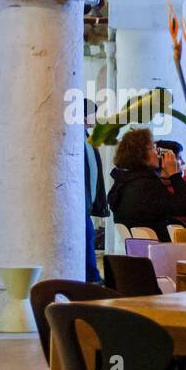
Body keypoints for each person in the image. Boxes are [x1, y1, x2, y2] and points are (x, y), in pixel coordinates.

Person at [107, 126, 186, 241]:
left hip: (139, 251)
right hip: (162, 251)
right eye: (154, 148)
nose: (158, 153)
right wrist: (175, 175)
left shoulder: (122, 183)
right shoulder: (147, 185)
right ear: (142, 154)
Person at [84, 101, 108, 283]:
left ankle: (92, 277)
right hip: (80, 204)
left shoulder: (88, 139)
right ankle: (92, 278)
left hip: (87, 203)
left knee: (89, 237)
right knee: (87, 237)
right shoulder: (76, 140)